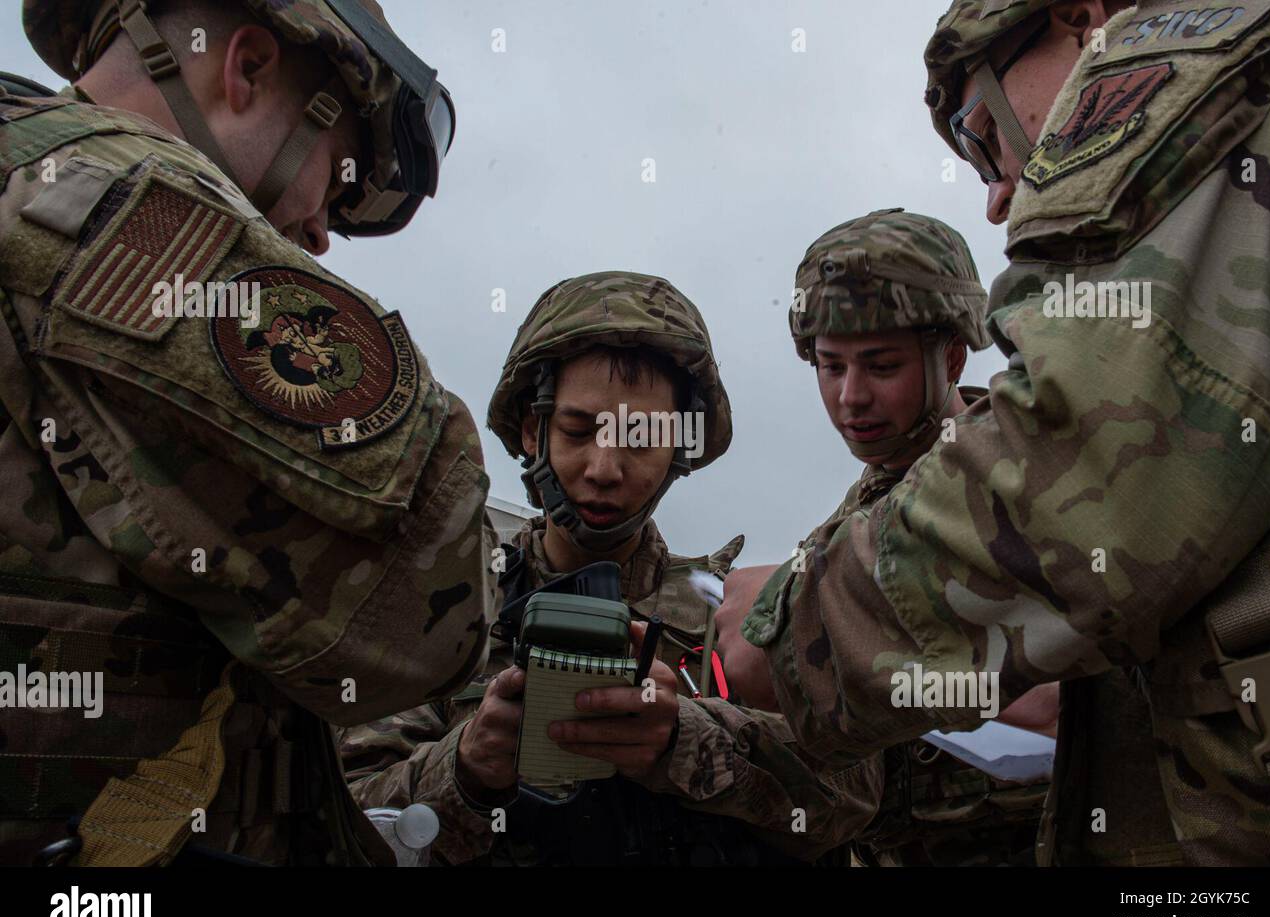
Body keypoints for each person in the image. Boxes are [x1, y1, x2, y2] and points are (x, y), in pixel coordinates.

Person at [734, 0, 1270, 865]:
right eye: (828, 364)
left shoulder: (1220, 76)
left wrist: (788, 636)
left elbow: (1095, 489)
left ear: (1085, 19)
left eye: (980, 133)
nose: (999, 195)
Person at [2, 0, 496, 865]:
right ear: (249, 68)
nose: (319, 235)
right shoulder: (115, 202)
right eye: (338, 179)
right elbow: (428, 595)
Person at [339, 271, 882, 865]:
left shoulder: (737, 620)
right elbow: (345, 820)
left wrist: (686, 738)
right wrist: (467, 766)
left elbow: (854, 797)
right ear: (531, 429)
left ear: (678, 449)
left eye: (640, 439)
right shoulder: (440, 607)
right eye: (578, 430)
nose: (604, 467)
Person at [718, 209, 1053, 865]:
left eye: (879, 365)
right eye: (830, 366)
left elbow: (1062, 703)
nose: (851, 398)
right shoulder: (856, 518)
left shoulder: (1027, 477)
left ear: (952, 356)